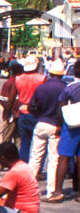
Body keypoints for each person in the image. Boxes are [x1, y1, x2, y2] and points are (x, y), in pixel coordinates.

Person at [28, 58, 67, 200]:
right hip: (56, 126)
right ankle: (51, 191)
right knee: (53, 159)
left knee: (35, 158)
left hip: (41, 123)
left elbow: (32, 106)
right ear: (62, 74)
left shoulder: (41, 87)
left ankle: (28, 190)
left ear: (50, 73)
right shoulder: (65, 87)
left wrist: (39, 116)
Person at [51, 58, 80, 201]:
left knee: (64, 157)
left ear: (75, 71)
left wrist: (58, 125)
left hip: (71, 126)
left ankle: (58, 191)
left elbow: (60, 109)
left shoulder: (70, 88)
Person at [14, 55, 46, 161]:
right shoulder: (41, 78)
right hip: (36, 113)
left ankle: (24, 165)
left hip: (23, 111)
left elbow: (14, 97)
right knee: (39, 145)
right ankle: (37, 170)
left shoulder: (18, 79)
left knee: (25, 142)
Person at [0, 59, 23, 145]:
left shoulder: (22, 83)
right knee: (6, 142)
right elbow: (2, 100)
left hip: (20, 118)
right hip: (9, 118)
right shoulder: (9, 83)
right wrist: (12, 112)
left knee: (18, 142)